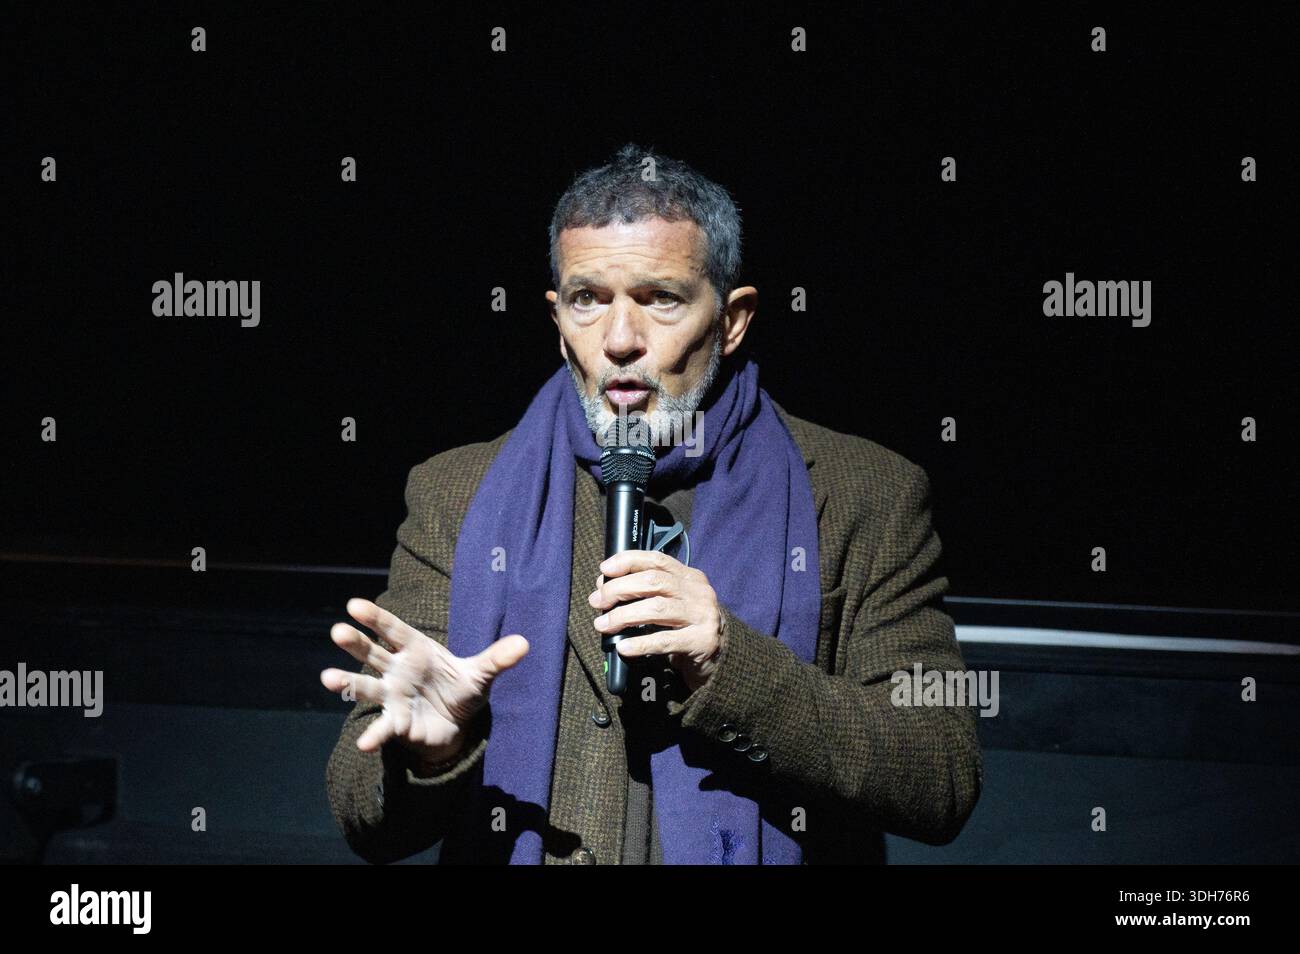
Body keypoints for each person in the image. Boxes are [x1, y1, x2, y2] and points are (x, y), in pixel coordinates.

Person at [322, 144, 982, 864]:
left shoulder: (864, 492)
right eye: (588, 300)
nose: (620, 341)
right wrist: (431, 753)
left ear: (733, 319)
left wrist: (735, 667)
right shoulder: (456, 491)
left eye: (660, 298)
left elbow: (940, 772)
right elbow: (363, 813)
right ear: (556, 316)